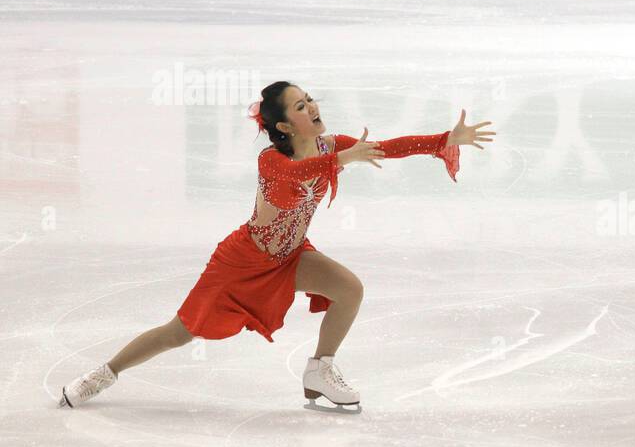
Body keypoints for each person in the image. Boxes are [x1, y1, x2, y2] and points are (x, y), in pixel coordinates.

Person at [58, 81, 494, 412]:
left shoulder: (330, 145)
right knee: (180, 332)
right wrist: (342, 159)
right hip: (243, 262)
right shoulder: (273, 161)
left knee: (350, 289)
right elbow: (294, 179)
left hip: (290, 256)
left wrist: (443, 141)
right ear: (284, 125)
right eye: (301, 106)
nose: (313, 107)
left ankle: (320, 369)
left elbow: (384, 148)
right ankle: (105, 373)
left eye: (310, 99)